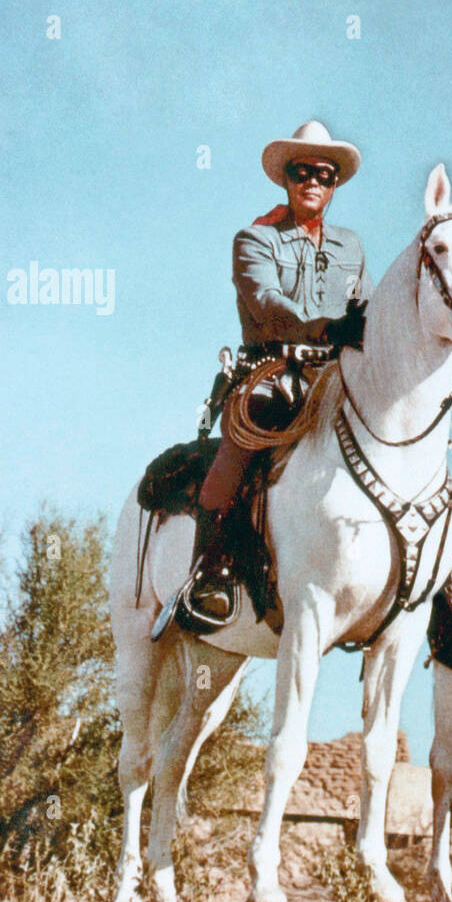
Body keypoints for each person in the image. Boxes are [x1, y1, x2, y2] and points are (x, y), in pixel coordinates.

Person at [153, 120, 372, 639]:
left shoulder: (351, 247)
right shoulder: (254, 239)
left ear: (334, 183)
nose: (312, 182)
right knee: (247, 435)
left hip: (336, 374)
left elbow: (363, 306)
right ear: (287, 180)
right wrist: (325, 326)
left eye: (323, 173)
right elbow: (268, 305)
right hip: (271, 371)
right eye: (301, 172)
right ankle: (212, 567)